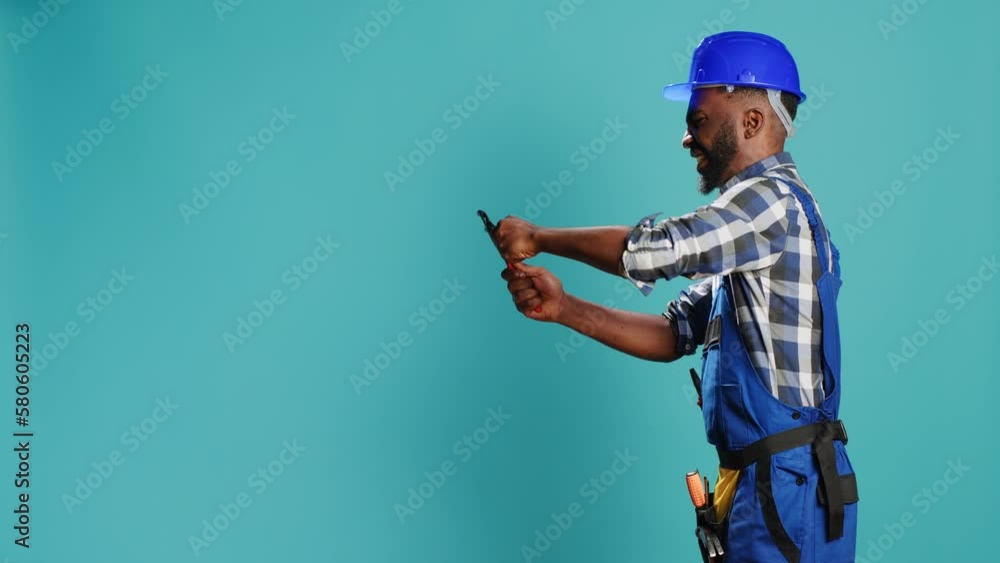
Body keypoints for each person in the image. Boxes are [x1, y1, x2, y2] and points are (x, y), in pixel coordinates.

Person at [495, 31, 858, 563]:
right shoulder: (751, 234)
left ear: (751, 121)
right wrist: (564, 308)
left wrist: (540, 237)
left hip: (786, 487)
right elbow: (674, 334)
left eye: (698, 120)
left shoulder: (769, 204)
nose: (687, 140)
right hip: (768, 481)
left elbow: (655, 252)